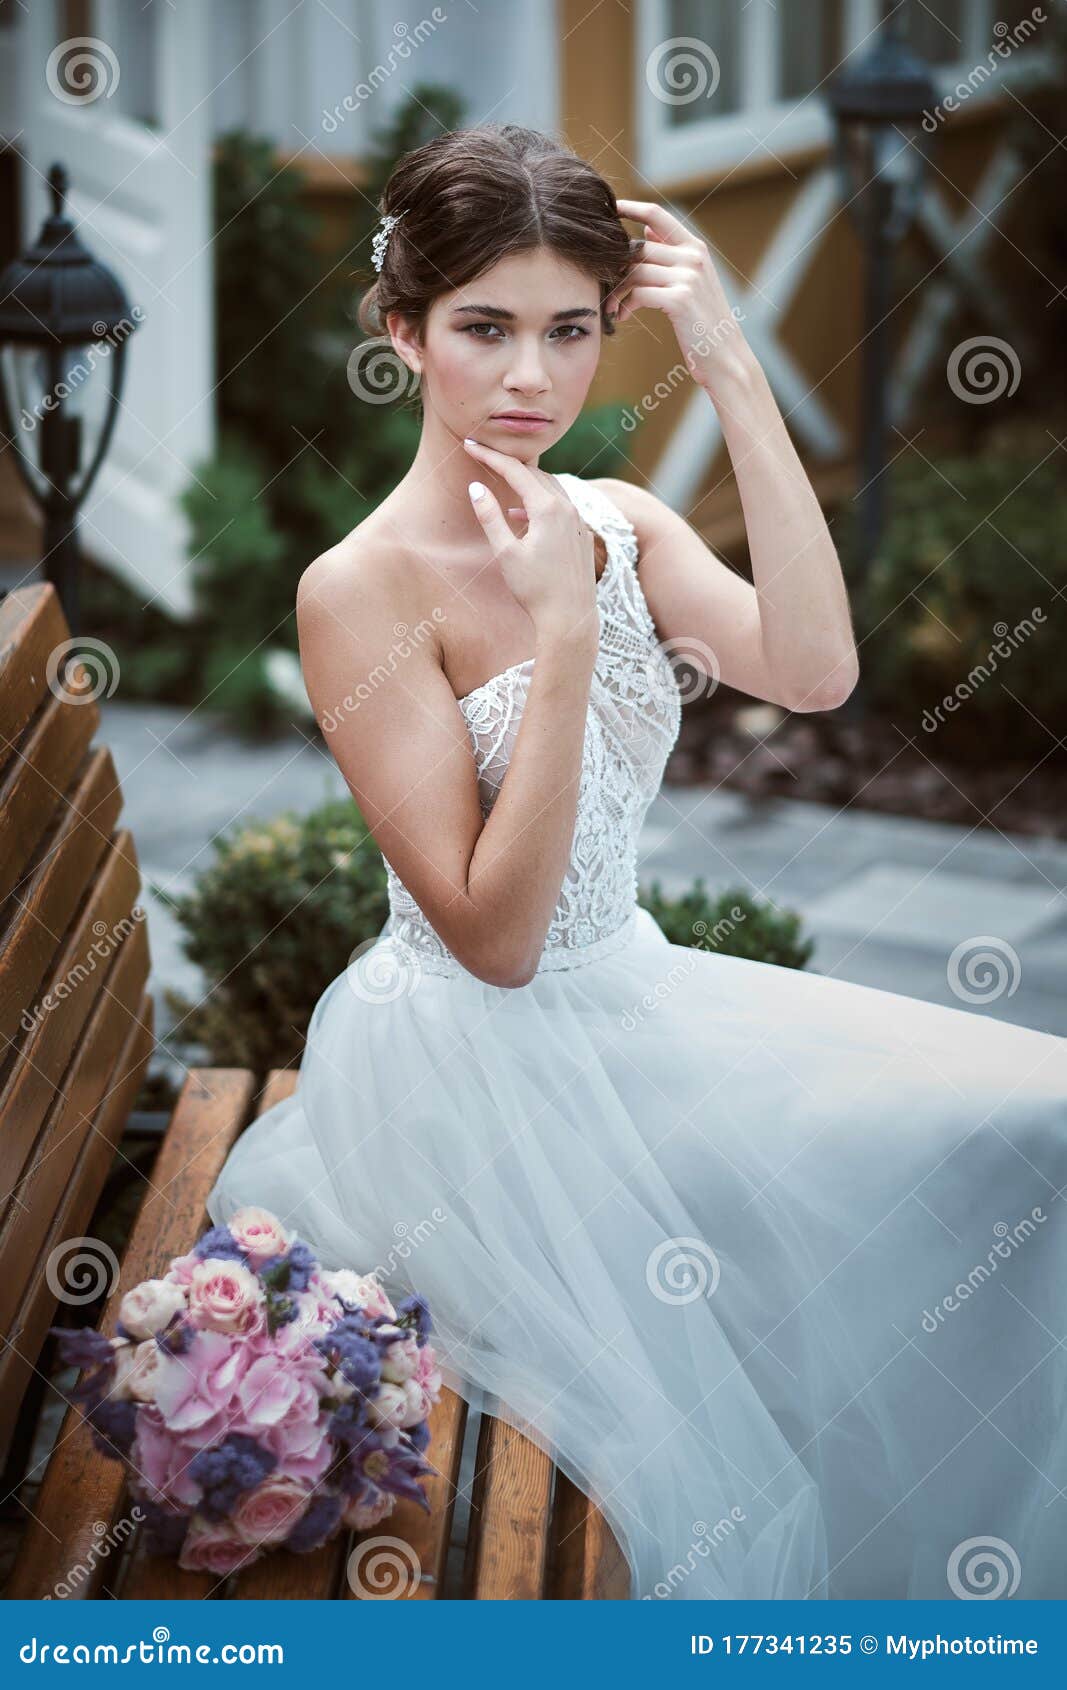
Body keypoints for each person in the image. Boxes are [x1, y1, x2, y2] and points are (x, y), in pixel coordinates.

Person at [207, 123, 1067, 1601]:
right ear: (404, 329)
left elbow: (813, 669)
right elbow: (493, 936)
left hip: (641, 1007)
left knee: (1038, 1119)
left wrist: (729, 361)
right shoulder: (357, 590)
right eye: (484, 328)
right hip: (473, 1083)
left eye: (571, 331)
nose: (532, 378)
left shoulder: (623, 521)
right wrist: (555, 634)